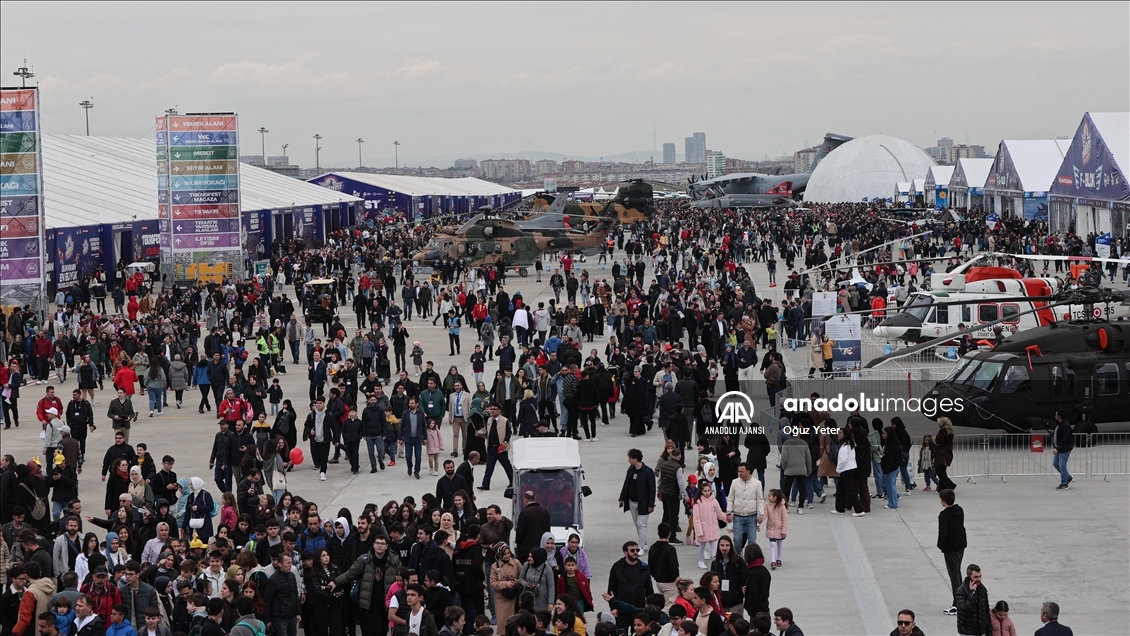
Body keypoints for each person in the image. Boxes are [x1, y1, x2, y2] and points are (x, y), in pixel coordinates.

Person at [605, 542, 652, 632]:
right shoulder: (617, 567)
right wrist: (613, 607)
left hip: (639, 608)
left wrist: (649, 606)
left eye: (637, 550)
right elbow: (611, 588)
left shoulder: (644, 568)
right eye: (632, 550)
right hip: (621, 610)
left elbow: (649, 588)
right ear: (625, 552)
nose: (635, 552)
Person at [618, 449, 655, 553]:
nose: (628, 460)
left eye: (630, 458)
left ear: (635, 459)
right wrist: (622, 498)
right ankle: (644, 542)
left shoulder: (648, 472)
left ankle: (641, 547)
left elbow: (652, 489)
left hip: (643, 503)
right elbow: (626, 484)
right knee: (637, 523)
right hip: (631, 501)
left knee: (642, 524)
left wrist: (651, 505)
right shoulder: (631, 469)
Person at [937, 489, 967, 616]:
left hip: (950, 548)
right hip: (960, 545)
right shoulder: (959, 510)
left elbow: (943, 533)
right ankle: (962, 599)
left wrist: (940, 545)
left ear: (943, 501)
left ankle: (957, 604)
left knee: (954, 576)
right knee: (958, 573)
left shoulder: (944, 515)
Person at [727, 463, 764, 552]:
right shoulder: (734, 482)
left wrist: (761, 514)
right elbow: (730, 498)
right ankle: (738, 555)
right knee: (737, 539)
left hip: (751, 516)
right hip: (738, 516)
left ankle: (750, 559)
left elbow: (760, 500)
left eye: (742, 471)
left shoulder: (757, 483)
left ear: (748, 471)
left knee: (752, 541)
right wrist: (728, 512)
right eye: (739, 471)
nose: (740, 473)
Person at [264, 552, 301, 636]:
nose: (290, 565)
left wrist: (298, 612)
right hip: (279, 617)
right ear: (280, 564)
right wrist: (268, 619)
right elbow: (268, 600)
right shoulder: (273, 579)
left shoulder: (292, 576)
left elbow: (295, 594)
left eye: (291, 562)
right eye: (288, 563)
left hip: (291, 615)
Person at [513, 491, 550, 563]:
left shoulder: (524, 512)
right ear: (535, 498)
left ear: (525, 500)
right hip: (541, 549)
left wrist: (518, 543)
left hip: (526, 550)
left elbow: (520, 531)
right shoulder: (545, 511)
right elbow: (547, 531)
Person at [954, 564, 989, 636]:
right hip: (967, 631)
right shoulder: (961, 591)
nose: (979, 579)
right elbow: (964, 610)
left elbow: (986, 612)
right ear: (968, 576)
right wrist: (972, 594)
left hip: (981, 631)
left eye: (980, 576)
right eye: (976, 577)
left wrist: (989, 631)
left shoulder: (982, 590)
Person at [741, 543, 770, 619]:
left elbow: (753, 594)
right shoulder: (764, 570)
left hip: (756, 612)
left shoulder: (752, 573)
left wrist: (746, 605)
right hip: (765, 607)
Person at [763, 490, 787, 571]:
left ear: (775, 497)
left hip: (779, 529)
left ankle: (779, 558)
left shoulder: (782, 506)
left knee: (779, 544)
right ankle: (773, 560)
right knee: (772, 544)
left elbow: (785, 519)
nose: (768, 497)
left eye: (770, 496)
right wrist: (759, 521)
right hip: (771, 528)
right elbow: (764, 514)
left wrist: (784, 530)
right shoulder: (767, 505)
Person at [1052, 411, 1074, 490]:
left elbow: (1066, 439)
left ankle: (1064, 483)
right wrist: (1052, 434)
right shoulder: (1059, 424)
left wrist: (1058, 448)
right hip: (1060, 448)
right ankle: (1067, 477)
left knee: (1062, 465)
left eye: (1056, 415)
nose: (1055, 416)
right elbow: (1059, 435)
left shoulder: (1065, 426)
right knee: (1055, 464)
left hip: (1064, 449)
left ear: (1059, 416)